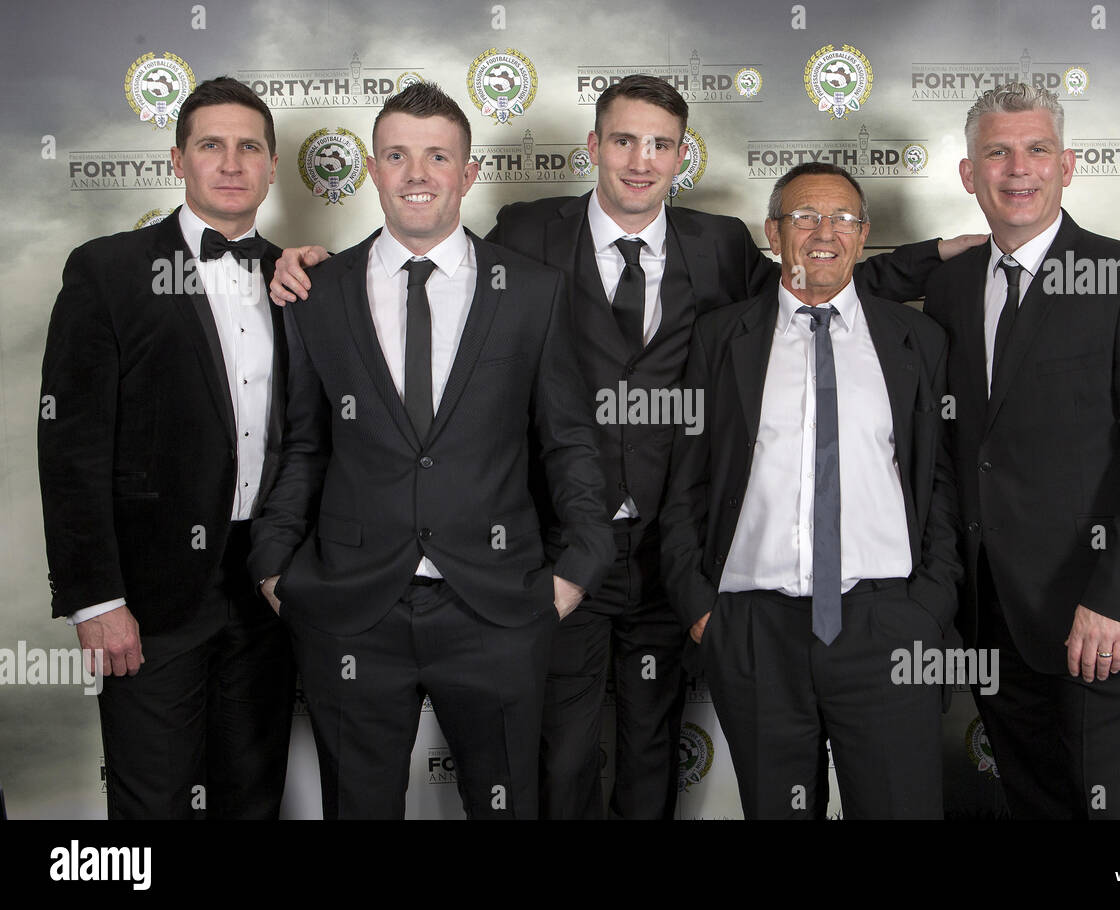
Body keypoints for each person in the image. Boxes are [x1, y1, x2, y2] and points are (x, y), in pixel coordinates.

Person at [268, 75, 979, 819]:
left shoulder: (719, 245)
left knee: (651, 748)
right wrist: (316, 267)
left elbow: (811, 278)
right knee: (562, 752)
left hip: (673, 554)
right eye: (623, 140)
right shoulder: (528, 232)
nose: (640, 160)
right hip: (563, 551)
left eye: (660, 144)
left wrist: (931, 258)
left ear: (680, 156)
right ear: (594, 147)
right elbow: (429, 263)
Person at [247, 81, 613, 819]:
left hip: (498, 609)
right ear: (374, 170)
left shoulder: (533, 292)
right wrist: (272, 567)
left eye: (437, 156)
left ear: (468, 173)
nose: (417, 173)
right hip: (351, 608)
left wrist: (579, 567)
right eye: (397, 155)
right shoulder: (318, 291)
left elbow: (567, 440)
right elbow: (303, 445)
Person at [922, 83, 1120, 819]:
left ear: (1068, 165)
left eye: (1038, 149)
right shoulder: (950, 287)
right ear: (968, 173)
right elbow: (824, 274)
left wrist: (1114, 600)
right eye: (998, 152)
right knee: (1035, 802)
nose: (1019, 169)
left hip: (1098, 612)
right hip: (993, 617)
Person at [659, 162, 964, 818]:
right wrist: (702, 611)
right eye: (804, 217)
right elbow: (685, 482)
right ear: (774, 232)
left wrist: (928, 608)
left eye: (842, 219)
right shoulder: (721, 340)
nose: (823, 232)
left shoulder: (917, 340)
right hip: (754, 633)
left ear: (862, 237)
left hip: (887, 626)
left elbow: (939, 483)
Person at [38, 77, 295, 819]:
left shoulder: (304, 279)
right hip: (148, 601)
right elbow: (70, 448)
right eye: (210, 145)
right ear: (177, 159)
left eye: (249, 146)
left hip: (268, 591)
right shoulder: (108, 271)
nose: (231, 162)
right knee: (152, 807)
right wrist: (96, 599)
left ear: (273, 165)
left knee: (251, 797)